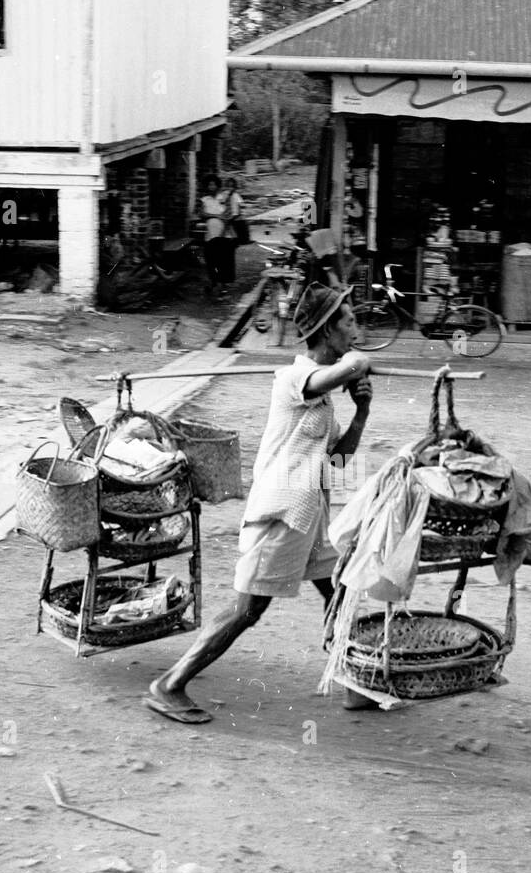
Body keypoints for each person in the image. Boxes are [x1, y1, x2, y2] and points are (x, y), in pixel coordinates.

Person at [144, 284, 373, 724]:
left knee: (339, 594)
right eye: (349, 321)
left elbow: (339, 461)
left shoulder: (324, 398)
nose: (356, 329)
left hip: (310, 514)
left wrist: (362, 411)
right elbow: (354, 364)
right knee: (248, 609)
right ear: (326, 331)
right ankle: (169, 684)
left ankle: (354, 685)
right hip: (280, 513)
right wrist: (357, 366)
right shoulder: (292, 379)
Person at [198, 174, 241, 289]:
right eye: (209, 185)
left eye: (213, 184)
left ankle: (224, 283)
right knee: (211, 260)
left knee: (224, 260)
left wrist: (224, 226)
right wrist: (216, 216)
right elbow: (202, 214)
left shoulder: (224, 198)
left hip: (224, 234)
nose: (211, 187)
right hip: (210, 235)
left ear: (217, 186)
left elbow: (230, 214)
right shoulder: (205, 200)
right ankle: (213, 281)